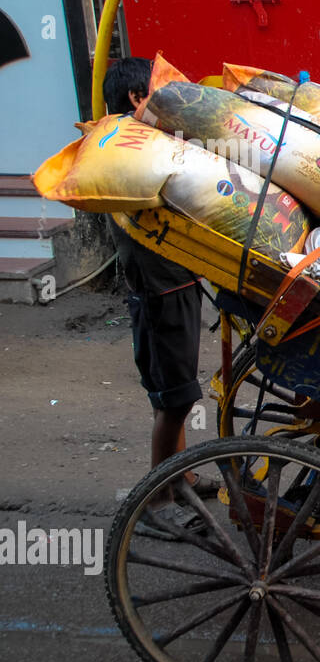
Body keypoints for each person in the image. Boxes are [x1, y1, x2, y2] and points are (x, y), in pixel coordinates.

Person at [104, 57, 216, 540]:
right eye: (156, 91)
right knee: (175, 397)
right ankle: (158, 498)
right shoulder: (126, 149)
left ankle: (182, 475)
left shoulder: (135, 142)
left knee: (177, 387)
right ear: (135, 98)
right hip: (159, 289)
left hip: (174, 281)